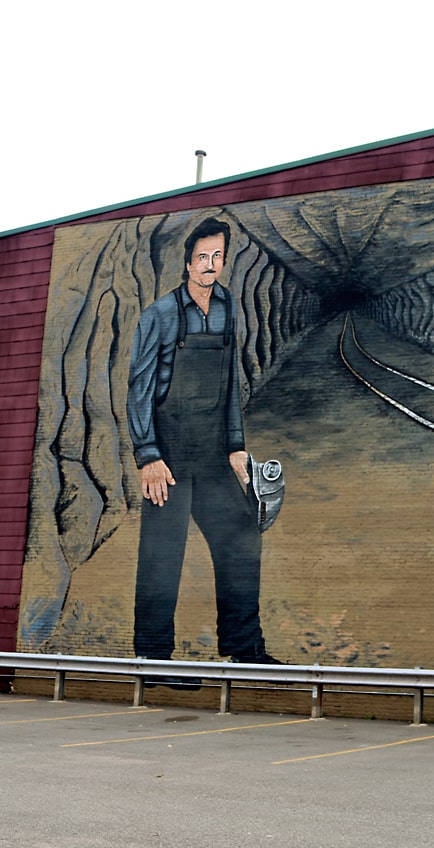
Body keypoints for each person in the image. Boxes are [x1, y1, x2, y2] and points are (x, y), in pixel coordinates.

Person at [128, 217, 279, 685]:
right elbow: (139, 389)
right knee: (162, 553)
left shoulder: (229, 306)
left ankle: (244, 648)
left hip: (213, 451)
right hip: (168, 455)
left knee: (241, 536)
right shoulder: (160, 315)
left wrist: (236, 446)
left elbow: (231, 380)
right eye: (201, 257)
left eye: (217, 256)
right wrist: (148, 454)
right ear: (187, 261)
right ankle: (152, 659)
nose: (209, 265)